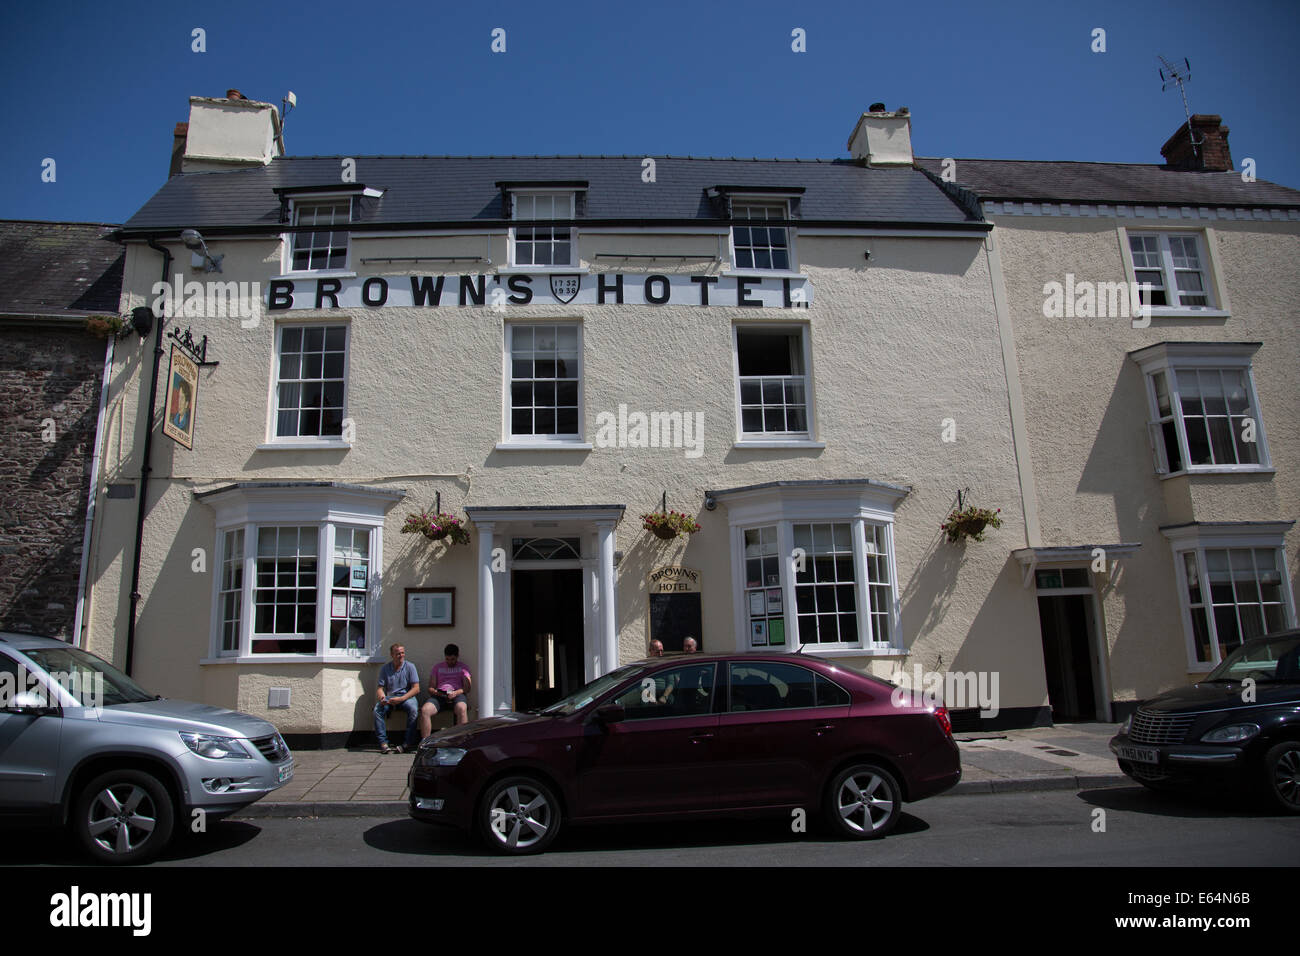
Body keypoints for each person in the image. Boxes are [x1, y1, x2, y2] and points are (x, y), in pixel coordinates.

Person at [374, 643, 420, 754]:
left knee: (414, 709)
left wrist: (402, 699)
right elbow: (380, 688)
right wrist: (382, 698)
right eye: (398, 653)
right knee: (377, 710)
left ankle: (407, 743)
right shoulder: (385, 668)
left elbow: (416, 688)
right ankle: (383, 743)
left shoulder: (410, 667)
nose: (401, 655)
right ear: (392, 655)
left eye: (402, 653)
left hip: (406, 696)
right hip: (390, 697)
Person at [420, 643, 472, 738]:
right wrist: (436, 692)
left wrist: (455, 693)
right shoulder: (437, 667)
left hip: (457, 693)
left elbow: (467, 688)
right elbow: (430, 687)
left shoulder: (463, 667)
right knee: (425, 710)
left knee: (462, 708)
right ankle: (425, 742)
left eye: (452, 659)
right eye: (447, 659)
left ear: (457, 656)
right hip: (440, 694)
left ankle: (462, 740)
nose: (450, 662)